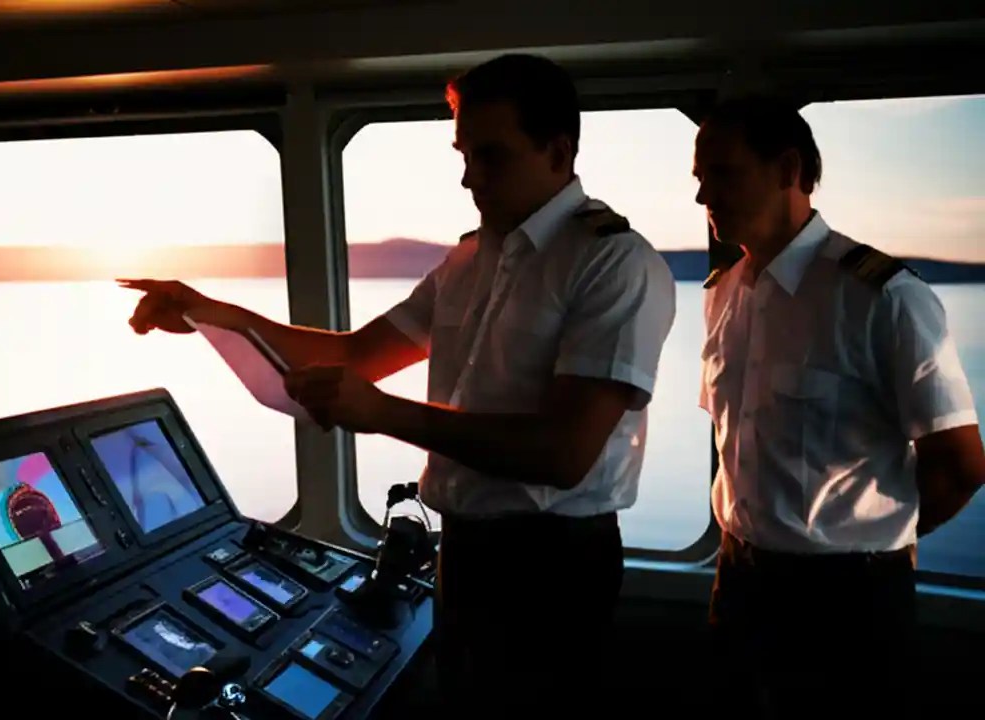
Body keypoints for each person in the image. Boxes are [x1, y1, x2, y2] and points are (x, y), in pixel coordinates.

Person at [120, 53, 676, 712]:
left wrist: (383, 414)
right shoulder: (471, 261)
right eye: (463, 155)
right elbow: (358, 354)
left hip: (550, 568)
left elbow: (562, 452)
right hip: (464, 549)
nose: (470, 179)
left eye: (491, 157)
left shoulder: (612, 263)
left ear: (558, 152)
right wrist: (210, 312)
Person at [693, 95, 985, 718]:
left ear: (788, 170)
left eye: (723, 173)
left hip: (846, 598)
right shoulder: (723, 296)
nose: (702, 197)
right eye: (699, 178)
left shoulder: (884, 299)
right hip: (737, 577)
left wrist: (868, 541)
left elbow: (960, 466)